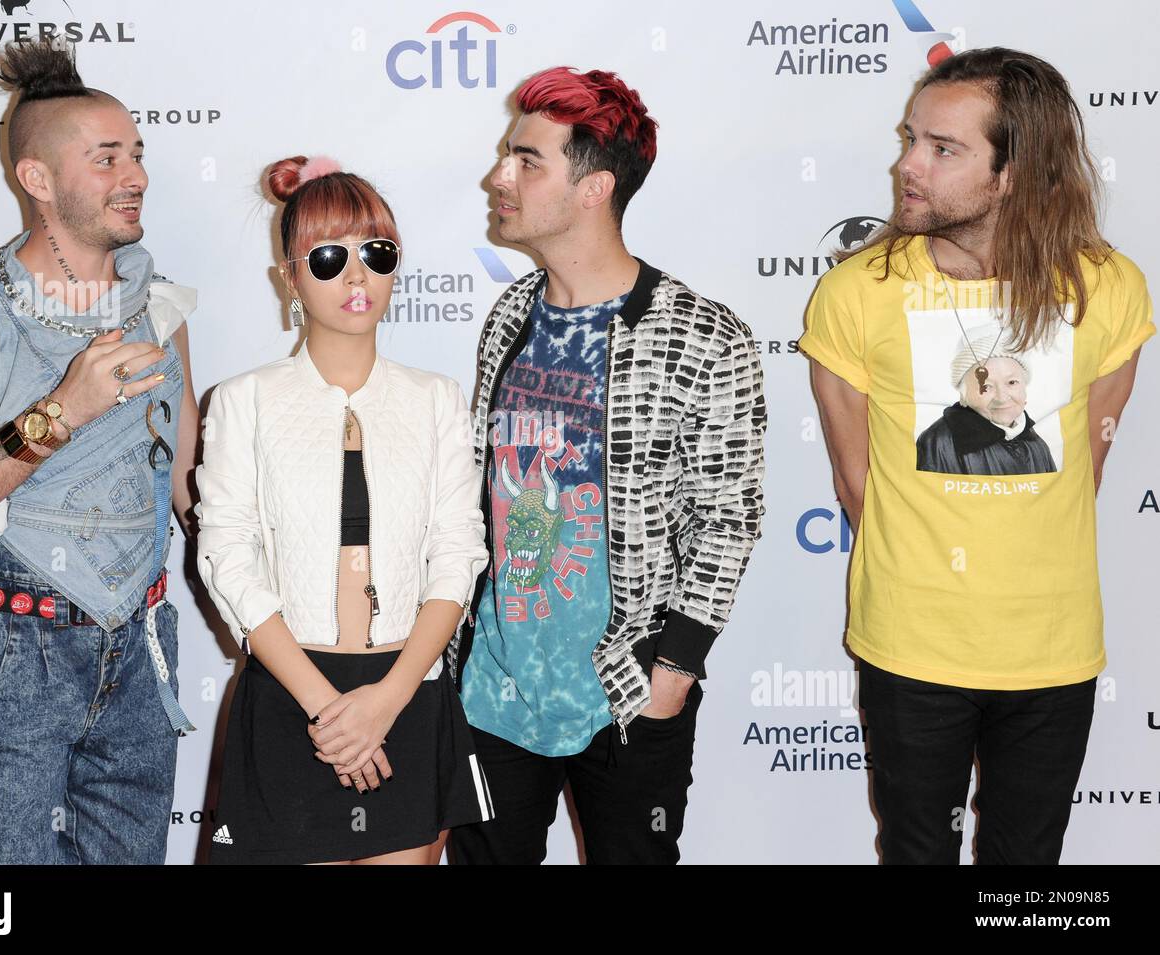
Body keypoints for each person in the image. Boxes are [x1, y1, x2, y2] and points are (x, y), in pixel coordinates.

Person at [799, 47, 1154, 863]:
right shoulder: (857, 292)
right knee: (916, 852)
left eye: (942, 148)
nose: (907, 165)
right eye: (910, 139)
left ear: (1014, 171)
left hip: (1053, 643)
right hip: (910, 640)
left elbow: (1086, 459)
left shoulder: (1110, 288)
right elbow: (856, 483)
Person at [0, 39, 201, 863]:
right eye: (107, 159)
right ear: (37, 179)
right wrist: (62, 410)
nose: (134, 175)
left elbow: (187, 484)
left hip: (142, 650)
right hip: (11, 656)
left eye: (136, 153)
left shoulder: (159, 306)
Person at [446, 67, 767, 865]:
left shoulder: (701, 334)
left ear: (594, 188)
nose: (499, 177)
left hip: (626, 692)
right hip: (495, 688)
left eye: (527, 160)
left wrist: (674, 673)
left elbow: (728, 517)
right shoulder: (510, 315)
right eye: (506, 156)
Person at [197, 155, 493, 865]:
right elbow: (226, 558)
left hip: (410, 694)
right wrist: (329, 708)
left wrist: (387, 699)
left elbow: (459, 553)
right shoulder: (244, 401)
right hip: (291, 699)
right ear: (289, 279)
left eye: (376, 252)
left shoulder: (436, 399)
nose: (356, 275)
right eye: (329, 257)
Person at [916, 334, 1056, 475]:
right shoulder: (938, 443)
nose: (1001, 397)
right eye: (986, 386)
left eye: (1012, 382)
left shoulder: (1036, 444)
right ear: (963, 396)